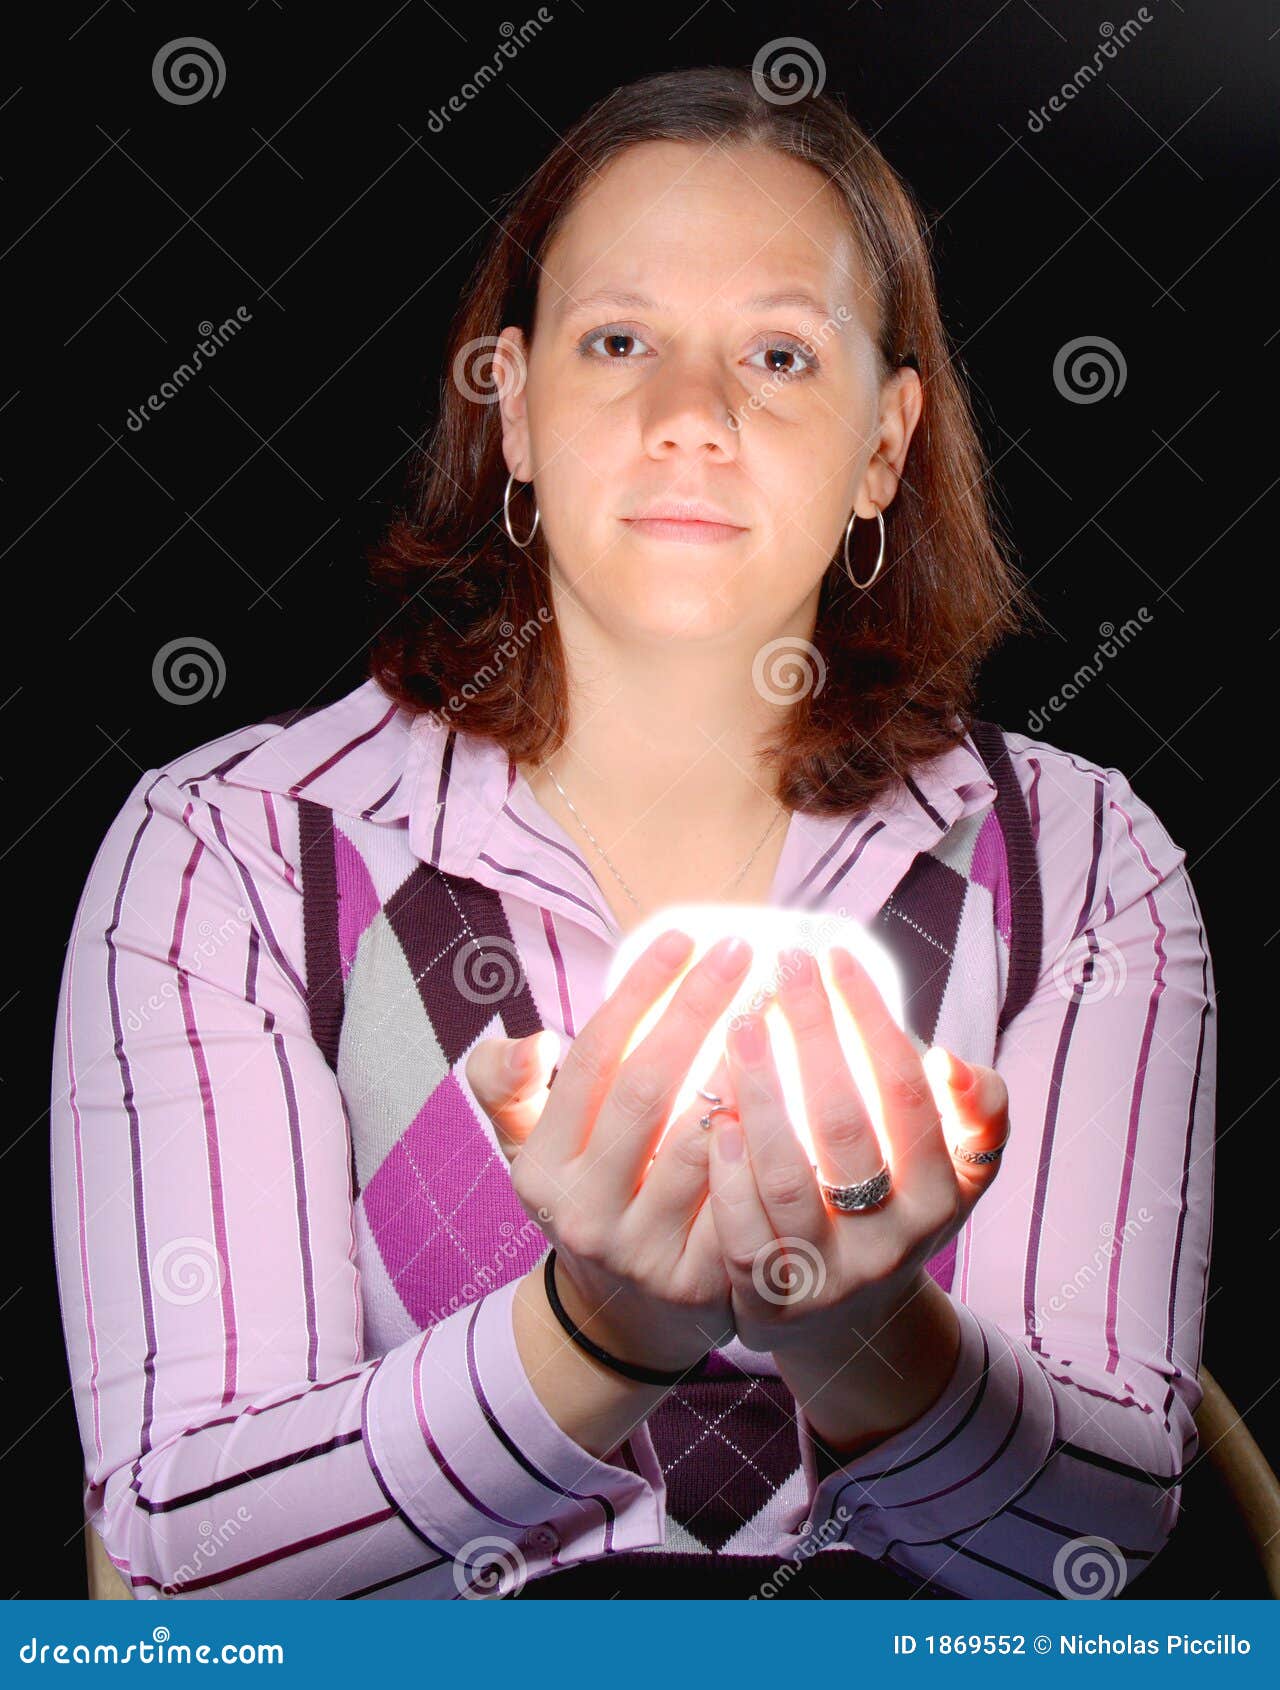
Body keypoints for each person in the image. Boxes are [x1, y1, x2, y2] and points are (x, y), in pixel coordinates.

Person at [51, 64, 1215, 1600]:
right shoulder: (237, 855)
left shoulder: (1078, 864)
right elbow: (184, 1566)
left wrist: (854, 1325)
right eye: (618, 342)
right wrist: (595, 1331)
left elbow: (1091, 1559)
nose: (690, 420)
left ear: (884, 443)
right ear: (516, 406)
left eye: (780, 354)